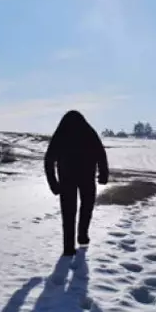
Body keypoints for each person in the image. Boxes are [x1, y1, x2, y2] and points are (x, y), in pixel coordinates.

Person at [44, 110, 109, 257]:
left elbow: (49, 160)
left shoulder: (61, 134)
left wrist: (53, 183)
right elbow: (101, 154)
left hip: (67, 178)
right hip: (86, 177)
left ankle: (69, 246)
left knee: (68, 212)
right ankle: (82, 235)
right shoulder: (88, 131)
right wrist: (103, 174)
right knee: (87, 207)